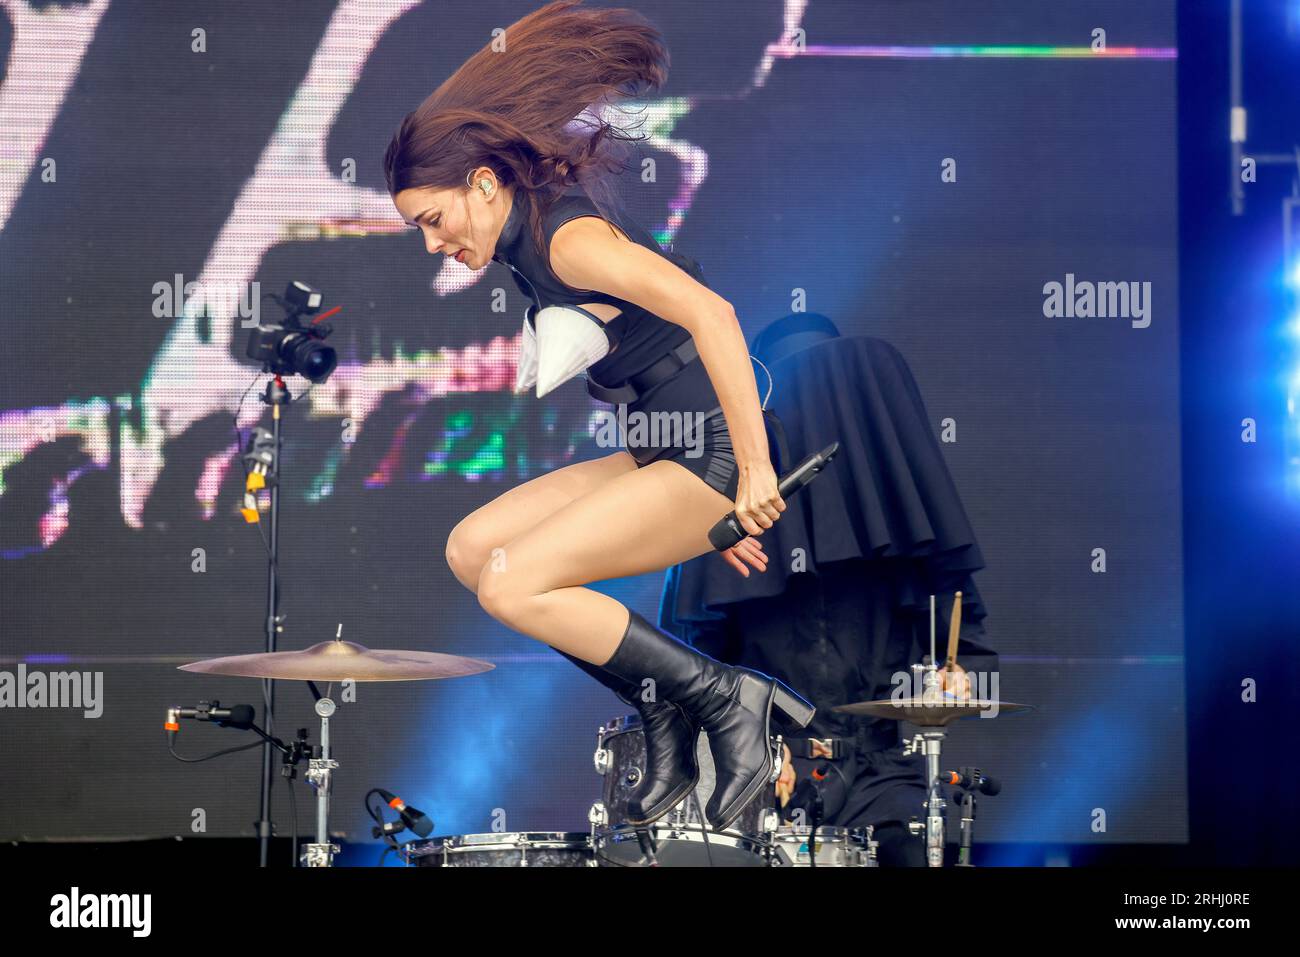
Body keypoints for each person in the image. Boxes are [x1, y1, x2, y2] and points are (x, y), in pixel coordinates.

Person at [383, 0, 813, 833]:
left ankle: (726, 700)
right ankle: (664, 709)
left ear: (481, 184)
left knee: (515, 580)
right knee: (473, 550)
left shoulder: (564, 241)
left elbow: (714, 316)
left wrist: (752, 472)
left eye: (432, 220)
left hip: (713, 452)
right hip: (669, 452)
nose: (432, 243)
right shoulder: (522, 238)